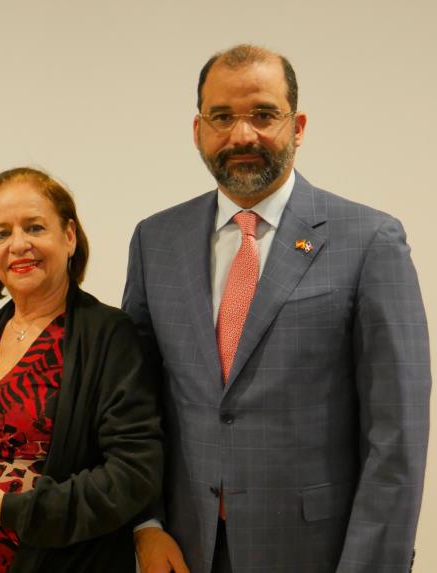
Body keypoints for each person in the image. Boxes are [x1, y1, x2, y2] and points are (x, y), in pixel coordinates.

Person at [123, 44, 431, 573]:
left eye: (264, 115)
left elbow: (397, 436)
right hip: (185, 547)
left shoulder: (370, 240)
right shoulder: (156, 240)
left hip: (316, 552)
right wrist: (145, 524)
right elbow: (133, 403)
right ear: (197, 130)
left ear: (299, 126)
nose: (243, 135)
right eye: (222, 117)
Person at [0, 167, 163, 572]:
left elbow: (133, 473)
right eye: (1, 233)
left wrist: (11, 511)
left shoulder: (109, 336)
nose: (18, 245)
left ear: (69, 237)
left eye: (34, 227)